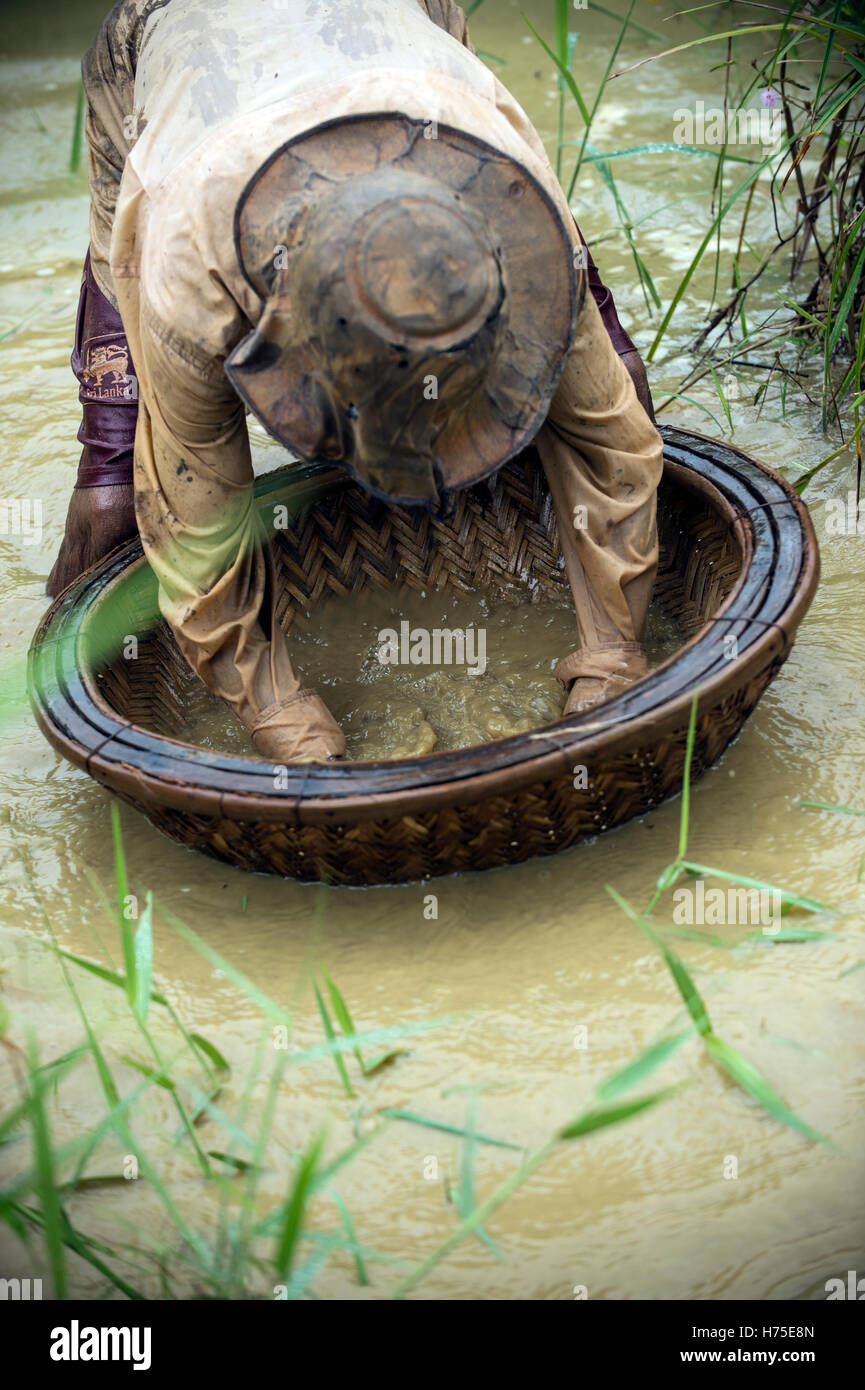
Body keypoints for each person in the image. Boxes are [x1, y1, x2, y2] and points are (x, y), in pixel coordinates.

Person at [47, 0, 663, 762]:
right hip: (169, 30)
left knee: (611, 372)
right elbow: (199, 532)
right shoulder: (192, 266)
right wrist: (286, 722)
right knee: (119, 491)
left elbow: (611, 442)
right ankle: (103, 474)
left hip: (410, 37)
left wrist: (612, 657)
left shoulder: (505, 189)